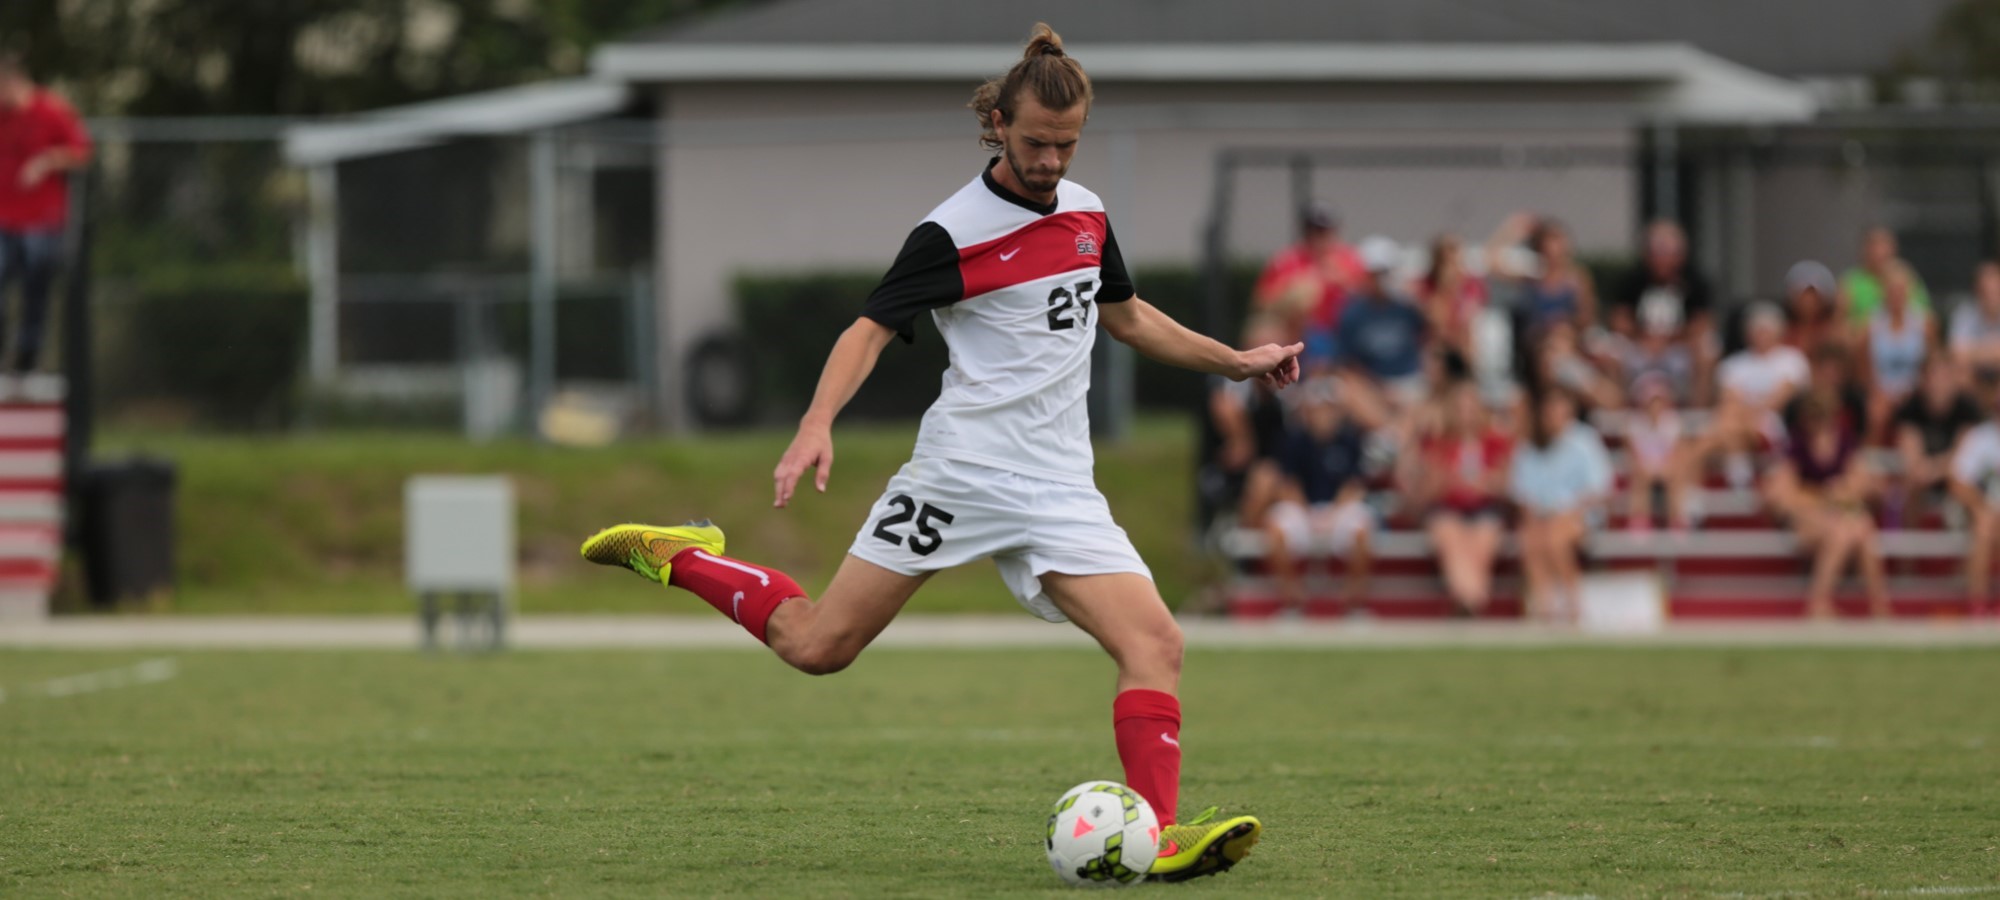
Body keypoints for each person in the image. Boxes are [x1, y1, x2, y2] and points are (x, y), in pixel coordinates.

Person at [580, 27, 1286, 882]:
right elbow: (868, 329)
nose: (1051, 160)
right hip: (963, 475)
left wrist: (1236, 361)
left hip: (1062, 487)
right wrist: (815, 422)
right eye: (1035, 143)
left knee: (1157, 644)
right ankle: (682, 555)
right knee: (818, 646)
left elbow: (1129, 316)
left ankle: (1160, 836)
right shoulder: (952, 232)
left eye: (1066, 144)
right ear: (996, 121)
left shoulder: (1089, 213)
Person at [0, 52, 90, 376]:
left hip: (42, 220)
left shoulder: (52, 111)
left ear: (13, 81)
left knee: (35, 286)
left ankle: (27, 353)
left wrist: (46, 161)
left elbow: (82, 153)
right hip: (4, 218)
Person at [1766, 395, 1889, 619]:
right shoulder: (1796, 446)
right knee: (1845, 530)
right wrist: (1826, 497)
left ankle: (1879, 606)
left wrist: (1843, 493)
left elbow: (1860, 484)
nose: (1819, 425)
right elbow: (1782, 497)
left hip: (1838, 519)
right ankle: (1819, 604)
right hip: (1808, 523)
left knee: (1863, 528)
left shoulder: (1845, 441)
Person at [1259, 379, 1374, 618]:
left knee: (1363, 527)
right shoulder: (1294, 440)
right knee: (1275, 527)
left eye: (1327, 409)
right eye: (1318, 409)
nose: (1323, 416)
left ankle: (1354, 602)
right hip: (1303, 507)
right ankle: (1292, 600)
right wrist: (1307, 513)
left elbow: (1354, 485)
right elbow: (1288, 484)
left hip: (1338, 508)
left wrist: (1332, 514)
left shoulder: (1350, 439)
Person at [1402, 379, 1511, 616]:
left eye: (1471, 408)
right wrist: (1446, 481)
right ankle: (1474, 599)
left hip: (1485, 507)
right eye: (1461, 409)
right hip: (1446, 507)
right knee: (1451, 539)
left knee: (1482, 541)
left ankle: (1466, 599)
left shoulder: (1496, 441)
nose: (1466, 415)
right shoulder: (1438, 443)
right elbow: (1423, 495)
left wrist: (1486, 484)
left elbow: (1507, 484)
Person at [1509, 389, 1613, 622]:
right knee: (1530, 539)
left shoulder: (1585, 441)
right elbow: (1522, 494)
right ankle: (1543, 604)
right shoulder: (1528, 444)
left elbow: (1600, 489)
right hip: (1541, 517)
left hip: (1580, 516)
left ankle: (1573, 604)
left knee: (1556, 536)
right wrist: (1535, 514)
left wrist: (1567, 510)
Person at [1692, 304, 1807, 490]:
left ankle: (1731, 471)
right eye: (1757, 330)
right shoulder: (1733, 364)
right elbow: (1729, 399)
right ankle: (1737, 469)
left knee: (1710, 436)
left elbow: (1780, 399)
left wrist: (1746, 411)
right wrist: (1746, 411)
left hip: (1772, 427)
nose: (1761, 335)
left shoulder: (1792, 360)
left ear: (1778, 332)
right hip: (1738, 425)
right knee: (1726, 420)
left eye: (1766, 330)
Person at [1319, 235, 1427, 418]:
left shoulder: (1408, 307)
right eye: (1378, 274)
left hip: (1409, 380)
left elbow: (1431, 337)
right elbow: (1347, 363)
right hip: (1372, 384)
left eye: (1387, 273)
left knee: (1419, 402)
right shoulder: (1353, 313)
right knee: (1347, 389)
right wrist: (1380, 388)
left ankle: (1391, 440)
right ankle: (1388, 437)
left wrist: (1418, 300)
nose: (1383, 280)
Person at [1611, 220, 1716, 401]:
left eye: (1669, 254)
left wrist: (1671, 339)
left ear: (1680, 255)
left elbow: (1703, 323)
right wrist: (1643, 337)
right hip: (1640, 344)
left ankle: (1697, 410)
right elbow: (1619, 319)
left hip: (1680, 346)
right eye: (1657, 253)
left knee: (1708, 349)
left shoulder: (1694, 280)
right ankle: (1619, 411)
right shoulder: (1633, 279)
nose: (1663, 259)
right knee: (1610, 350)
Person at [1891, 354, 1981, 529]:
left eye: (1945, 376)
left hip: (1954, 478)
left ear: (1955, 379)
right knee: (1910, 483)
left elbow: (1963, 455)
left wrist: (1933, 470)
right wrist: (1924, 472)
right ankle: (1909, 548)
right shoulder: (1910, 408)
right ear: (1923, 380)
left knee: (1963, 483)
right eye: (1934, 376)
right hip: (1921, 477)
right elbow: (1910, 455)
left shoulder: (1968, 409)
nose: (1939, 383)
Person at [1251, 203, 1361, 343]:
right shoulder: (1286, 260)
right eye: (1311, 231)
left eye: (1322, 231)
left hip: (1340, 329)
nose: (1316, 237)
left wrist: (1341, 280)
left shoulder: (1349, 258)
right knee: (1262, 334)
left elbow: (1367, 294)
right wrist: (1291, 290)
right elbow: (1261, 301)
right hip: (1295, 328)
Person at [1858, 265, 1936, 444]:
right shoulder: (1870, 325)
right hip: (1883, 390)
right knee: (1876, 413)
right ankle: (1872, 458)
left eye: (1901, 290)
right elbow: (1864, 368)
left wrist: (1918, 389)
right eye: (1892, 290)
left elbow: (1931, 362)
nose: (1896, 296)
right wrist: (1879, 392)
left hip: (1916, 389)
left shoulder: (1924, 324)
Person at [1487, 212, 1598, 335]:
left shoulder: (1576, 279)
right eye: (1548, 247)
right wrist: (1513, 230)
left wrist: (1562, 323)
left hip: (1565, 340)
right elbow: (1492, 263)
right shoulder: (1534, 276)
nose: (1554, 253)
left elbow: (1586, 318)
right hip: (1536, 344)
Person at [1950, 401, 2000, 613]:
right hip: (1976, 511)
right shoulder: (1979, 437)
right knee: (1985, 526)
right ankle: (1977, 604)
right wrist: (1981, 507)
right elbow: (1957, 483)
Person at [1624, 373, 1688, 533]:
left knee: (1675, 475)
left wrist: (1662, 469)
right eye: (1652, 402)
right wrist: (1649, 469)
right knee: (1640, 476)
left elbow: (1675, 453)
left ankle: (1676, 518)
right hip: (1645, 469)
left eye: (1659, 402)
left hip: (1665, 468)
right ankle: (1640, 519)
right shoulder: (1634, 424)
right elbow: (1635, 455)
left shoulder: (1673, 423)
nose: (1655, 407)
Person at [1417, 233, 1488, 368]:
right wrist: (1444, 289)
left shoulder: (1472, 284)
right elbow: (1437, 322)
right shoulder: (1426, 286)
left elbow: (1468, 319)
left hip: (1463, 347)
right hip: (1437, 349)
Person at [1841, 226, 1932, 326]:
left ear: (1894, 248)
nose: (1879, 251)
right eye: (1874, 245)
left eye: (1884, 245)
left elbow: (1926, 318)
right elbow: (1839, 323)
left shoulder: (1909, 278)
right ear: (1864, 250)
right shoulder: (1850, 282)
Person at [1948, 261, 2000, 381]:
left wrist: (1974, 351)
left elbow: (1966, 353)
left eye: (1996, 292)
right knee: (1959, 373)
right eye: (1986, 292)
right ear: (1977, 291)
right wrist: (1995, 352)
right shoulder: (1963, 314)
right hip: (1972, 381)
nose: (1991, 298)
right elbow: (1957, 355)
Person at [1782, 260, 1844, 354]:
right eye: (1802, 296)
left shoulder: (1835, 334)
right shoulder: (1782, 333)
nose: (1808, 302)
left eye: (1814, 297)